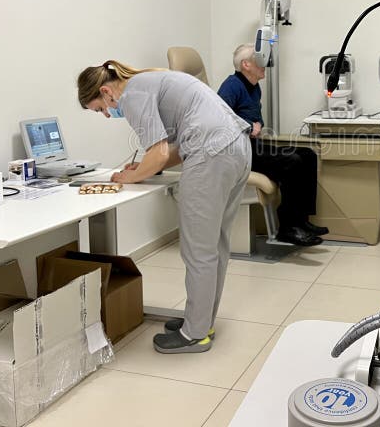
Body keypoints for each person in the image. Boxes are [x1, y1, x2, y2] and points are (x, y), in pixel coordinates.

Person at [77, 61, 251, 354]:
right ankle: (202, 322)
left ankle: (195, 334)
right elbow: (177, 148)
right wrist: (142, 168)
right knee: (214, 245)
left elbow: (158, 155)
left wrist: (130, 175)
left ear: (106, 91)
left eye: (101, 108)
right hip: (236, 149)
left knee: (198, 250)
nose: (107, 114)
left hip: (211, 156)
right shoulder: (151, 81)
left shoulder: (132, 95)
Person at [217, 44, 328, 246]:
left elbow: (255, 120)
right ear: (246, 64)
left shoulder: (254, 87)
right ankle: (288, 228)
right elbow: (218, 119)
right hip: (240, 153)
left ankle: (302, 221)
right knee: (292, 162)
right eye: (259, 60)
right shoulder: (231, 86)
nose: (265, 65)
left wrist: (256, 126)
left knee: (308, 154)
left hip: (254, 147)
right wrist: (251, 127)